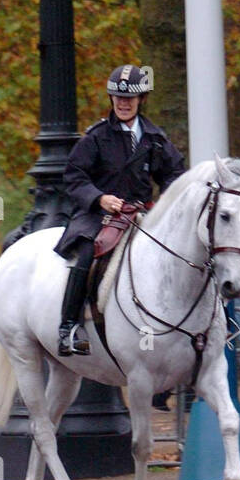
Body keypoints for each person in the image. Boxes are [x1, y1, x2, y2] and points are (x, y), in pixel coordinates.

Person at [55, 63, 185, 357]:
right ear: (111, 99)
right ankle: (69, 327)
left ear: (141, 100)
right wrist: (99, 198)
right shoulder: (96, 137)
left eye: (130, 98)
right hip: (99, 215)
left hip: (141, 214)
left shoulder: (155, 138)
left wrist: (166, 203)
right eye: (118, 97)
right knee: (88, 253)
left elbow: (174, 175)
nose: (123, 103)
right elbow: (74, 177)